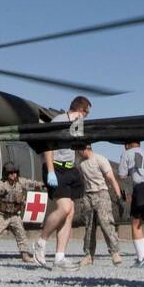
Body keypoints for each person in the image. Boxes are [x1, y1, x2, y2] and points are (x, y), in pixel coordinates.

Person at [35, 96, 92, 270]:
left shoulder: (78, 124)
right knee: (65, 208)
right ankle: (41, 242)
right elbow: (49, 146)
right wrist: (51, 171)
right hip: (56, 168)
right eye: (86, 113)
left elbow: (77, 147)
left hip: (70, 169)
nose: (86, 117)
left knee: (70, 212)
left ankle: (60, 257)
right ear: (80, 110)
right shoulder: (59, 121)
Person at [74, 143, 124, 266]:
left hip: (101, 194)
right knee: (89, 227)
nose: (78, 152)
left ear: (85, 148)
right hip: (88, 196)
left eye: (79, 150)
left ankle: (115, 252)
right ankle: (88, 255)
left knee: (106, 223)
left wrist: (119, 196)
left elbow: (111, 178)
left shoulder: (100, 159)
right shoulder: (80, 163)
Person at [0, 162, 37, 264]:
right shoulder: (0, 185)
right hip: (2, 215)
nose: (14, 175)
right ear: (6, 174)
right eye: (11, 173)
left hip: (14, 215)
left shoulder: (20, 182)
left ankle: (25, 255)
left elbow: (32, 184)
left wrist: (43, 184)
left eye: (15, 172)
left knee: (21, 233)